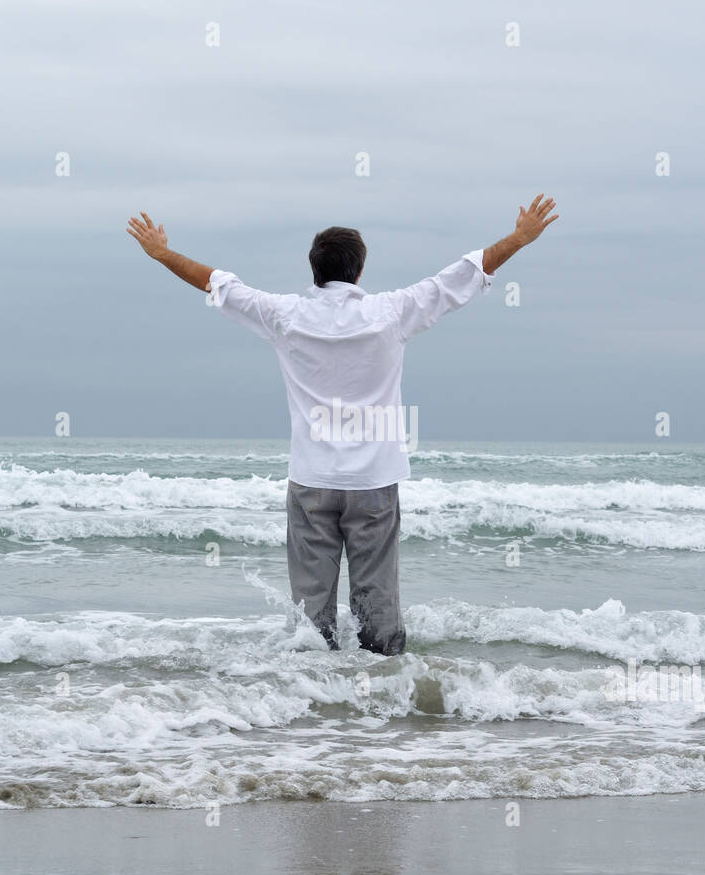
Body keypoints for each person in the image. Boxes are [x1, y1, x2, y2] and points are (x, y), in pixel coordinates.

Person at [127, 195, 558, 656]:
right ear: (358, 272)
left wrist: (161, 253)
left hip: (312, 480)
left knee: (311, 613)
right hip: (373, 481)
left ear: (315, 270)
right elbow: (461, 277)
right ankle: (385, 698)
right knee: (378, 603)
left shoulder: (285, 316)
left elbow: (217, 283)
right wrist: (519, 238)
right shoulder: (390, 312)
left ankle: (314, 706)